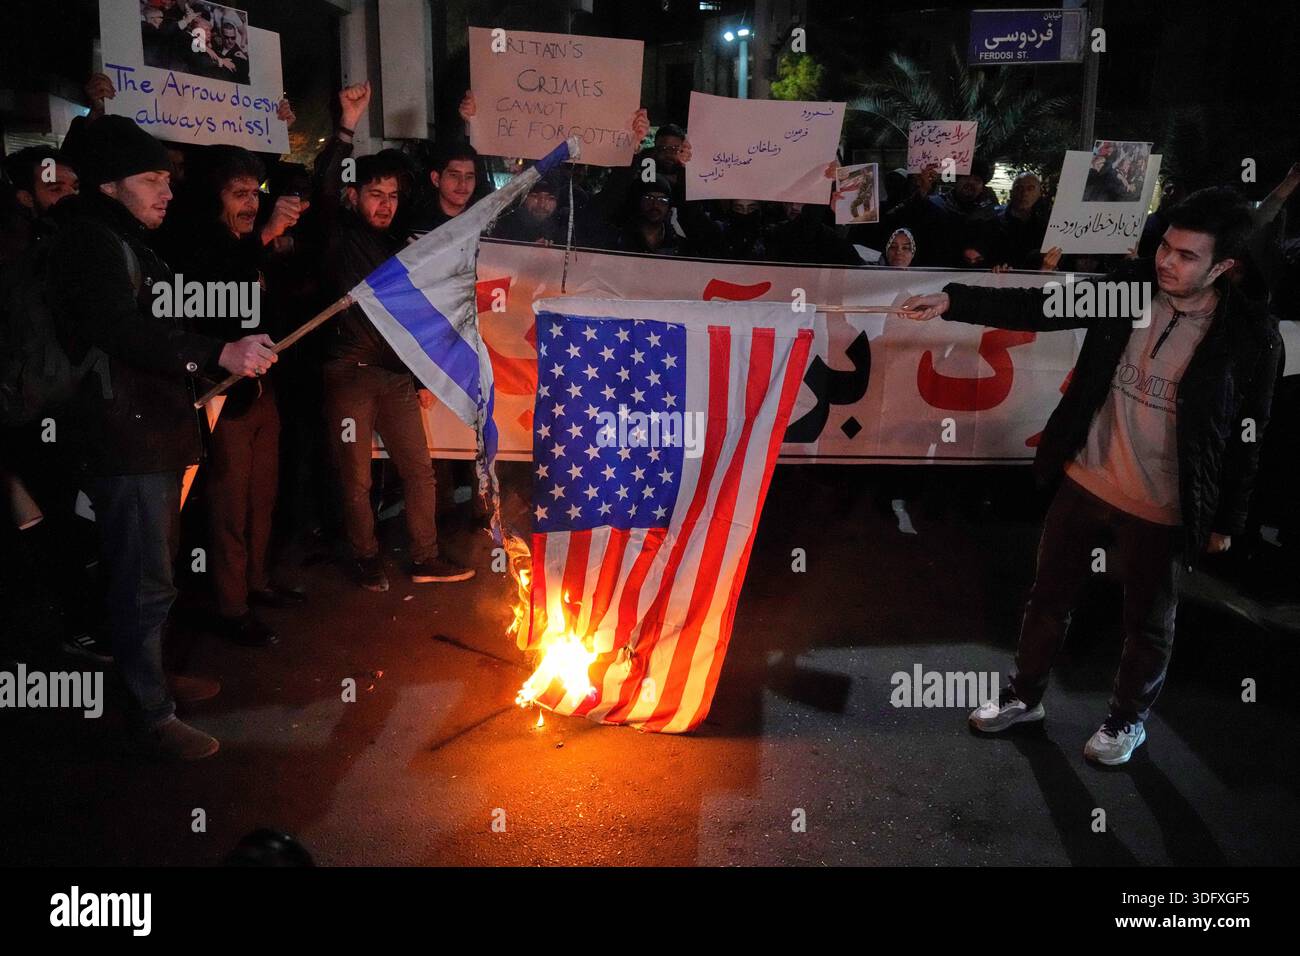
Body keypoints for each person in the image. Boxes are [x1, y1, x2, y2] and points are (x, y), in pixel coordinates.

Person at [902, 187, 1282, 766]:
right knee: (1048, 598)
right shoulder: (1129, 292)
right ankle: (1023, 697)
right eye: (1167, 248)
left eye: (1186, 256)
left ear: (1224, 266)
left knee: (1147, 624)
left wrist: (1227, 518)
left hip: (1164, 504)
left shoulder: (1250, 337)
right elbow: (1038, 308)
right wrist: (950, 300)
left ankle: (1127, 721)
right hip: (1087, 478)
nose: (1167, 262)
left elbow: (1249, 434)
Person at [48, 116, 276, 760]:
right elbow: (123, 331)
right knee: (142, 574)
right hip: (125, 437)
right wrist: (218, 350)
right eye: (151, 179)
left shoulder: (127, 238)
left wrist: (218, 353)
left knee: (156, 568)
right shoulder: (88, 242)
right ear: (108, 184)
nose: (166, 191)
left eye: (167, 179)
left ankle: (151, 674)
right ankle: (151, 711)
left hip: (153, 431)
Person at [315, 81, 474, 591]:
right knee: (356, 477)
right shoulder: (338, 234)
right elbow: (322, 189)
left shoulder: (394, 243)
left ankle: (425, 557)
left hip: (394, 375)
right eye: (375, 195)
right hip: (348, 372)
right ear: (354, 195)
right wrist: (346, 125)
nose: (385, 205)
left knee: (420, 470)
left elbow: (457, 190)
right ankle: (365, 558)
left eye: (392, 197)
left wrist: (418, 374)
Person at [173, 147, 309, 646]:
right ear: (215, 198)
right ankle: (231, 607)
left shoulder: (254, 246)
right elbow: (223, 306)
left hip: (260, 391)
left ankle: (257, 582)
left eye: (256, 193)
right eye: (239, 194)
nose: (251, 204)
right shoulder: (200, 249)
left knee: (262, 496)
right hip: (221, 395)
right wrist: (264, 240)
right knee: (229, 505)